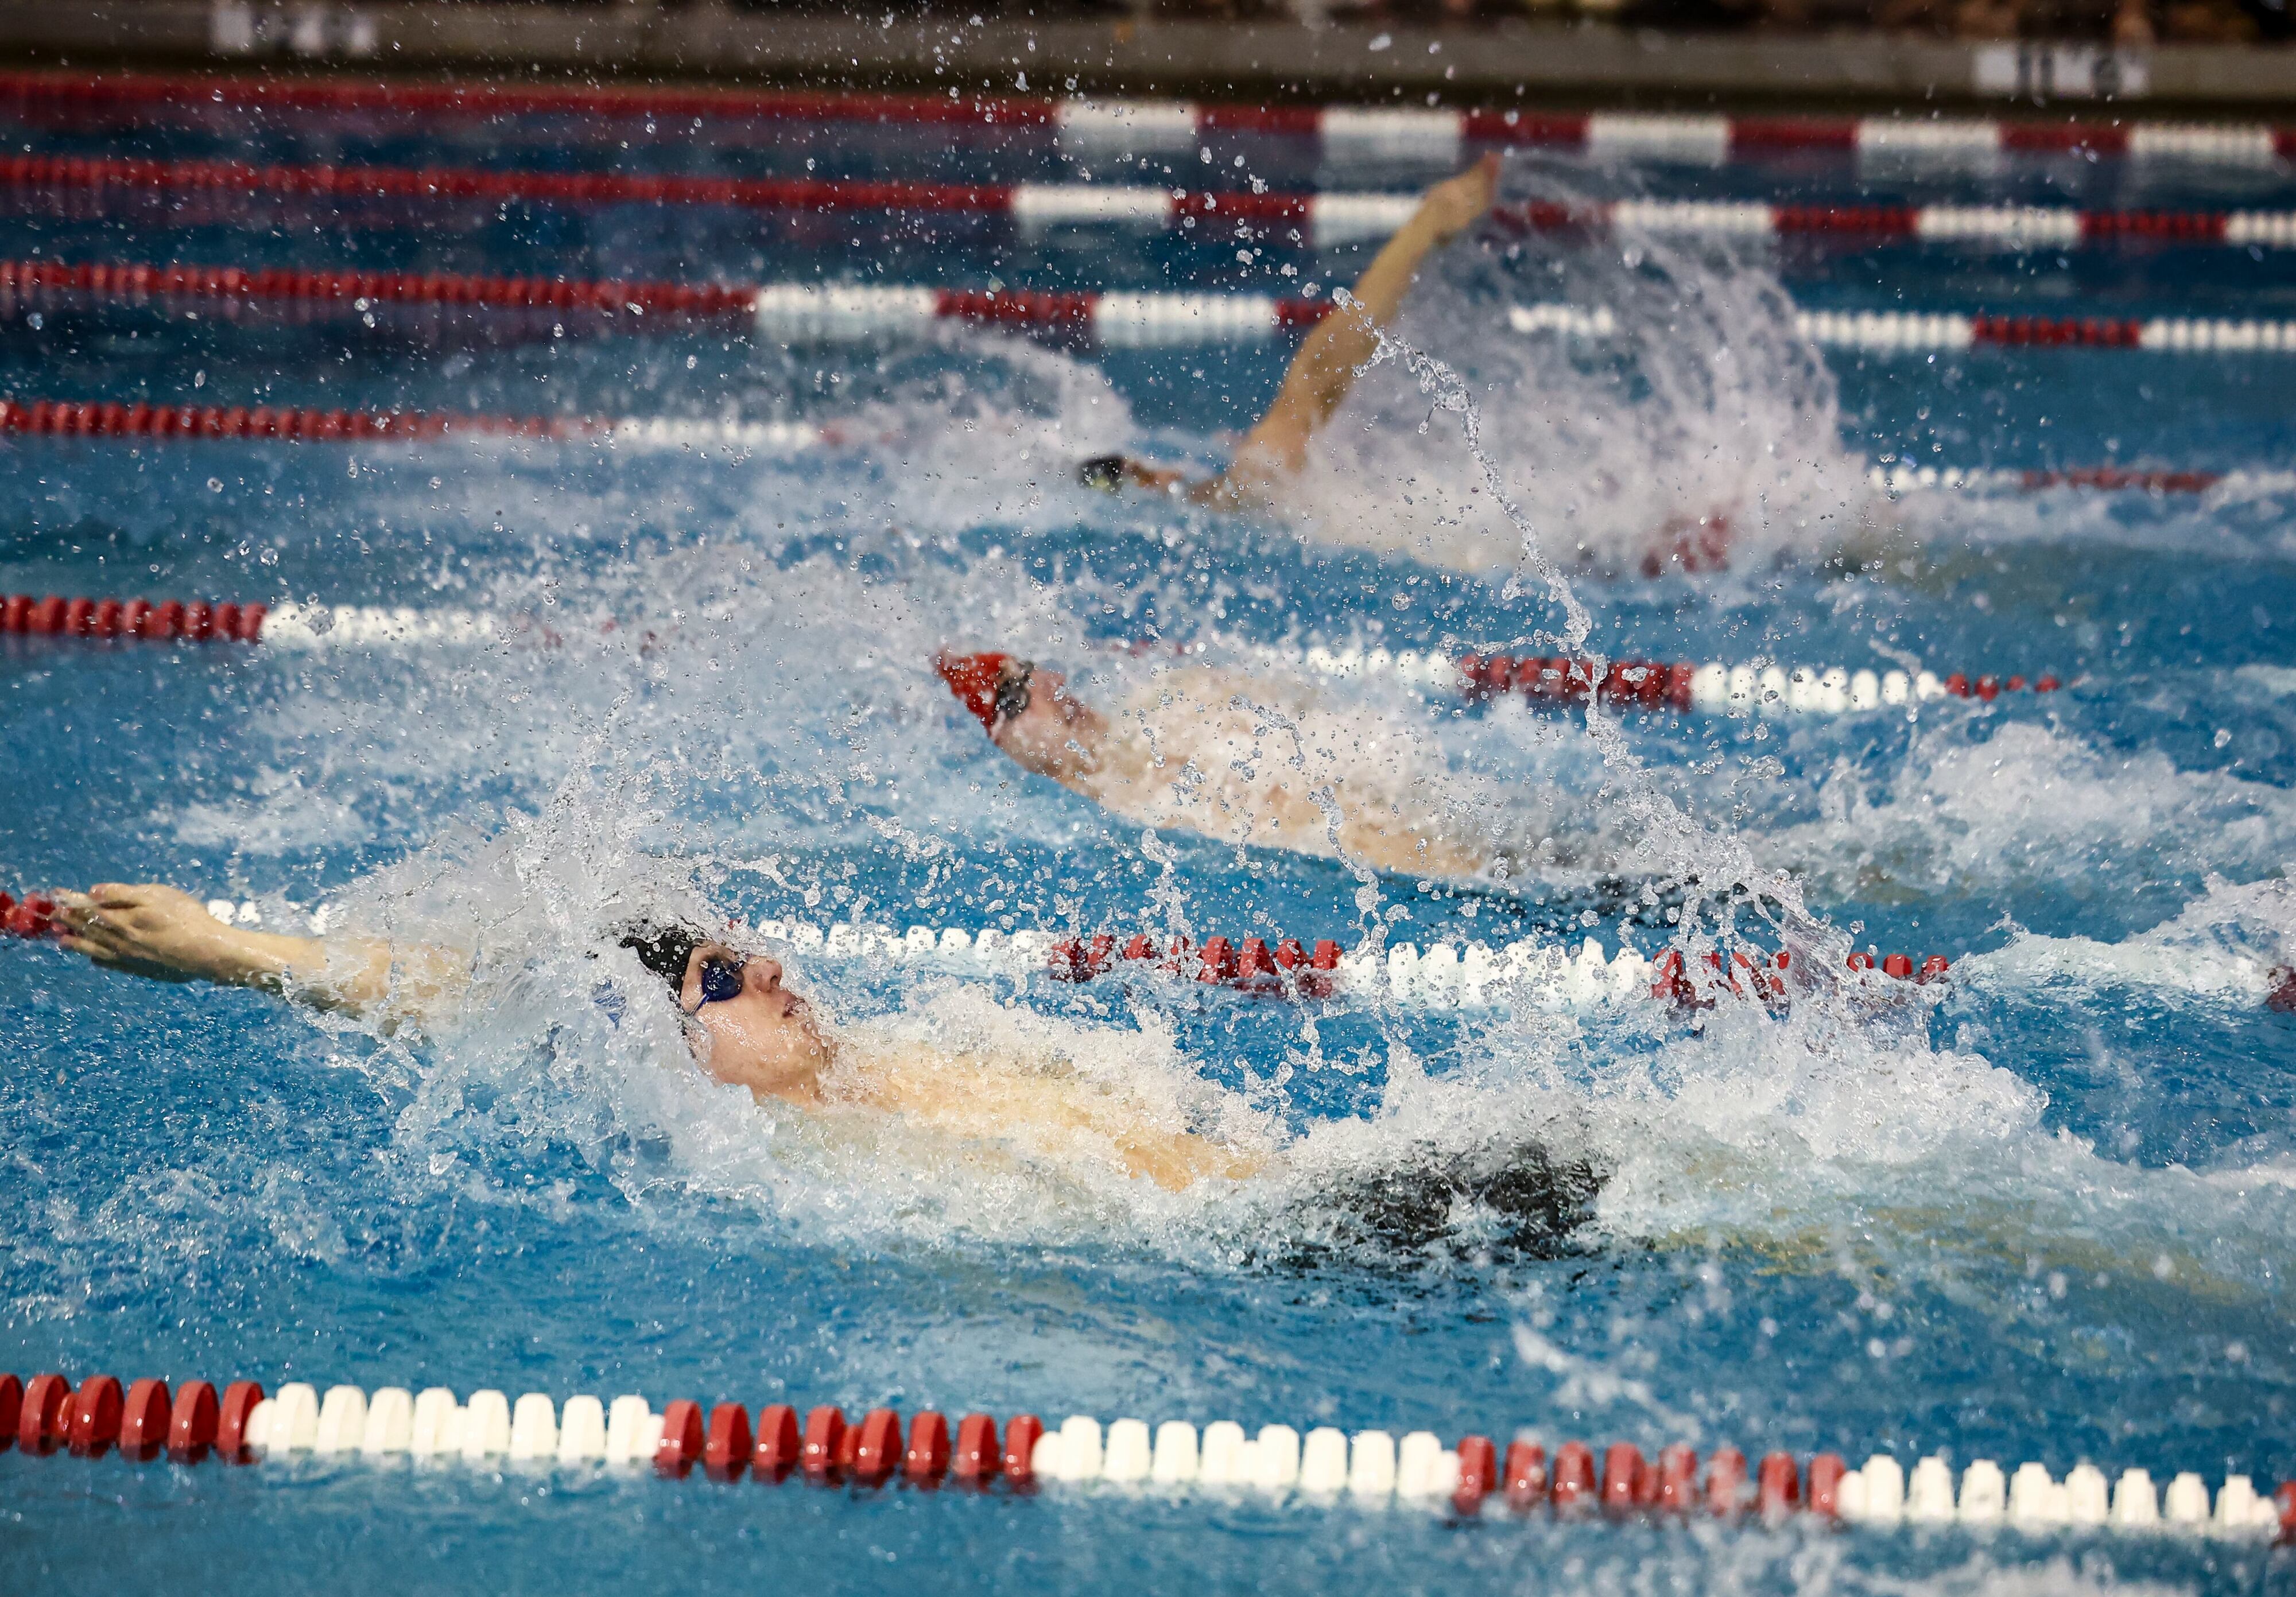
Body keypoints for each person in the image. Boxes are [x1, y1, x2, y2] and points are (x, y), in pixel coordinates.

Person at [48, 880, 1266, 1192]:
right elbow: (480, 1003)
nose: (777, 968)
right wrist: (226, 953)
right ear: (663, 1050)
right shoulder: (802, 1167)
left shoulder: (878, 1070)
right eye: (723, 975)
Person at [1073, 153, 1502, 512]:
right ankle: (1428, 223)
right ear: (1145, 480)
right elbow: (1322, 373)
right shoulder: (1238, 489)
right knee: (1306, 394)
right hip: (1273, 503)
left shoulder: (1200, 507)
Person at [933, 648, 1532, 883]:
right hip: (1421, 858)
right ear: (1004, 749)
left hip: (1439, 813)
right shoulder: (1110, 821)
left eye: (1032, 670)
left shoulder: (1169, 696)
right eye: (1015, 698)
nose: (1047, 686)